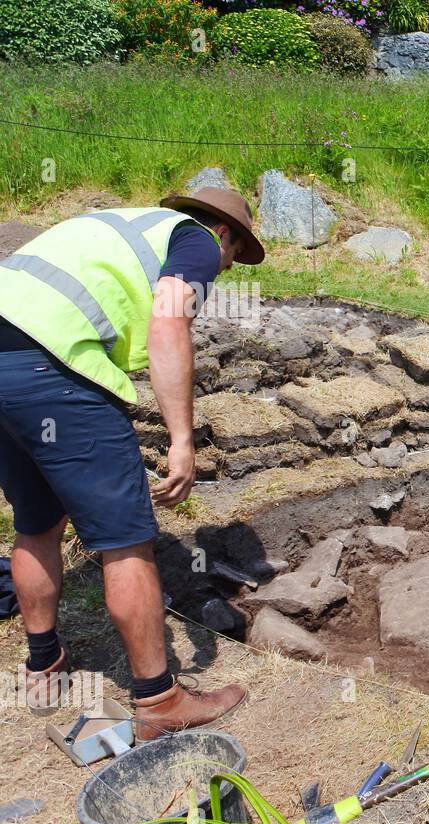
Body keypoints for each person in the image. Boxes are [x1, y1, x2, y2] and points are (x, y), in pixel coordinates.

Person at [0, 187, 263, 734]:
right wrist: (182, 439)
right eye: (233, 259)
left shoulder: (122, 223)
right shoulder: (194, 242)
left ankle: (42, 665)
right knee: (125, 539)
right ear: (225, 235)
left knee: (37, 522)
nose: (223, 271)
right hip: (54, 366)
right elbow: (169, 322)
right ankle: (159, 701)